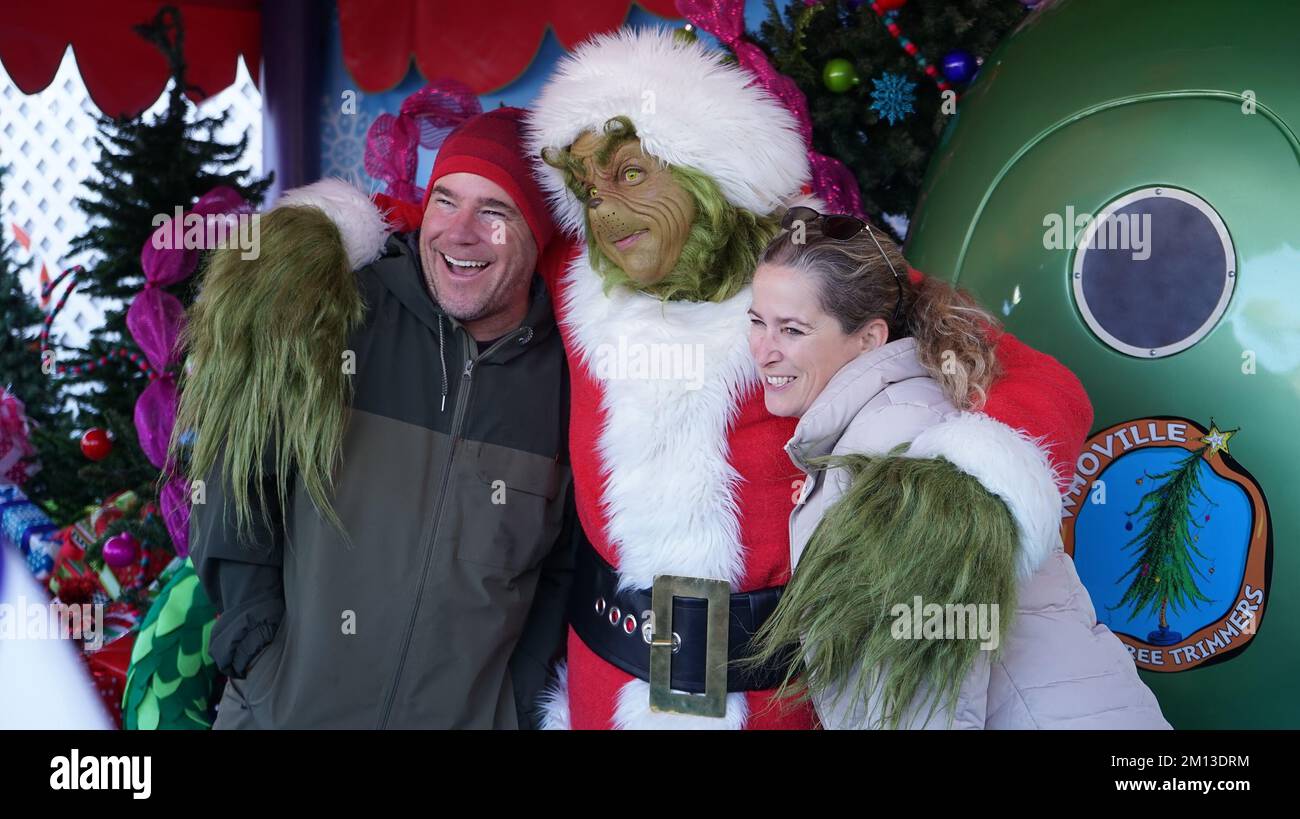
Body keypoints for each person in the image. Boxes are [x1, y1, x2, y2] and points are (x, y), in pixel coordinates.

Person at [525, 28, 1111, 730]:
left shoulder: (815, 267)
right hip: (609, 685)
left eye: (628, 175)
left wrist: (955, 497)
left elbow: (1039, 380)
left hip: (781, 699)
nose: (604, 211)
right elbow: (468, 211)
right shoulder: (572, 274)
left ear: (705, 167)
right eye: (586, 189)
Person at [177, 108, 576, 728]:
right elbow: (236, 472)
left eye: (494, 212)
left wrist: (518, 701)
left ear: (540, 232)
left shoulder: (569, 377)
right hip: (282, 713)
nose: (460, 232)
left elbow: (563, 568)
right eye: (446, 200)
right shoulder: (339, 314)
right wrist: (256, 649)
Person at [745, 208, 1171, 729]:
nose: (763, 352)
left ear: (869, 339)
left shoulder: (892, 454)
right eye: (756, 322)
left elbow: (914, 703)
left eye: (791, 329)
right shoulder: (899, 411)